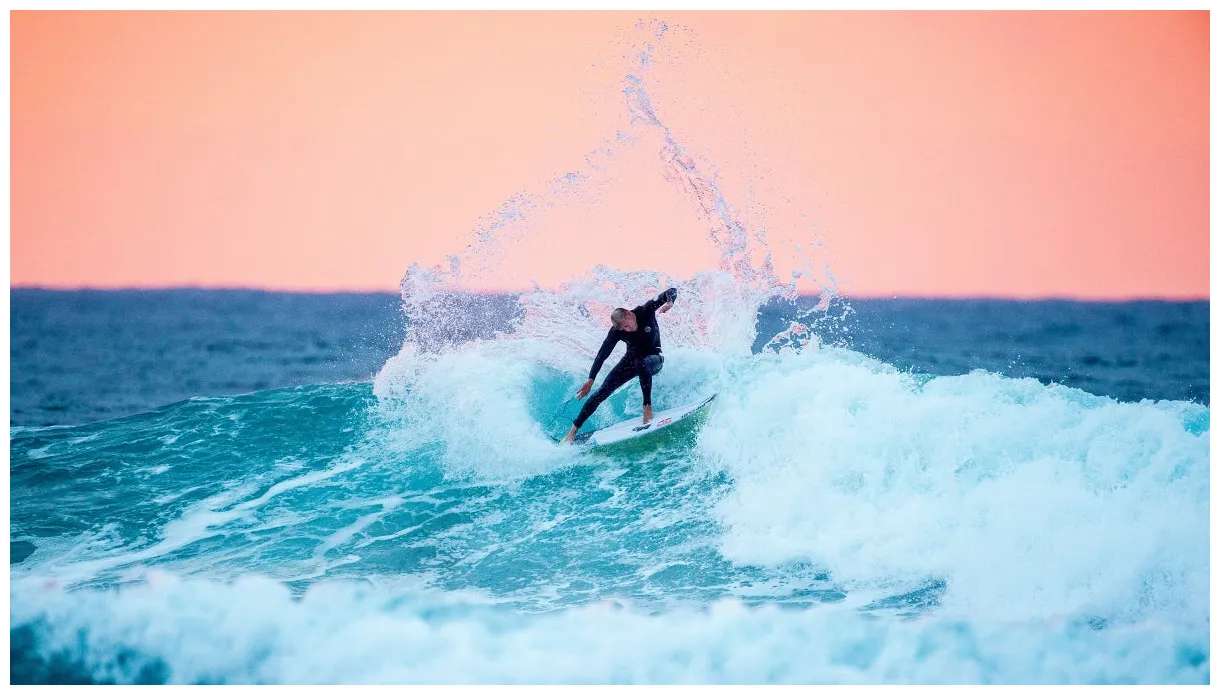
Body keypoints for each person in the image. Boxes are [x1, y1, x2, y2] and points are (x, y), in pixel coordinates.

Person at [561, 287, 678, 444]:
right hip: (631, 360)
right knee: (603, 390)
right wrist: (590, 379)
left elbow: (671, 291)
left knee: (641, 362)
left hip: (655, 358)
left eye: (626, 326)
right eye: (623, 329)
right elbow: (602, 354)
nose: (626, 330)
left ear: (629, 314)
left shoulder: (646, 310)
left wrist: (670, 302)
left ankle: (647, 408)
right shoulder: (617, 331)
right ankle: (573, 430)